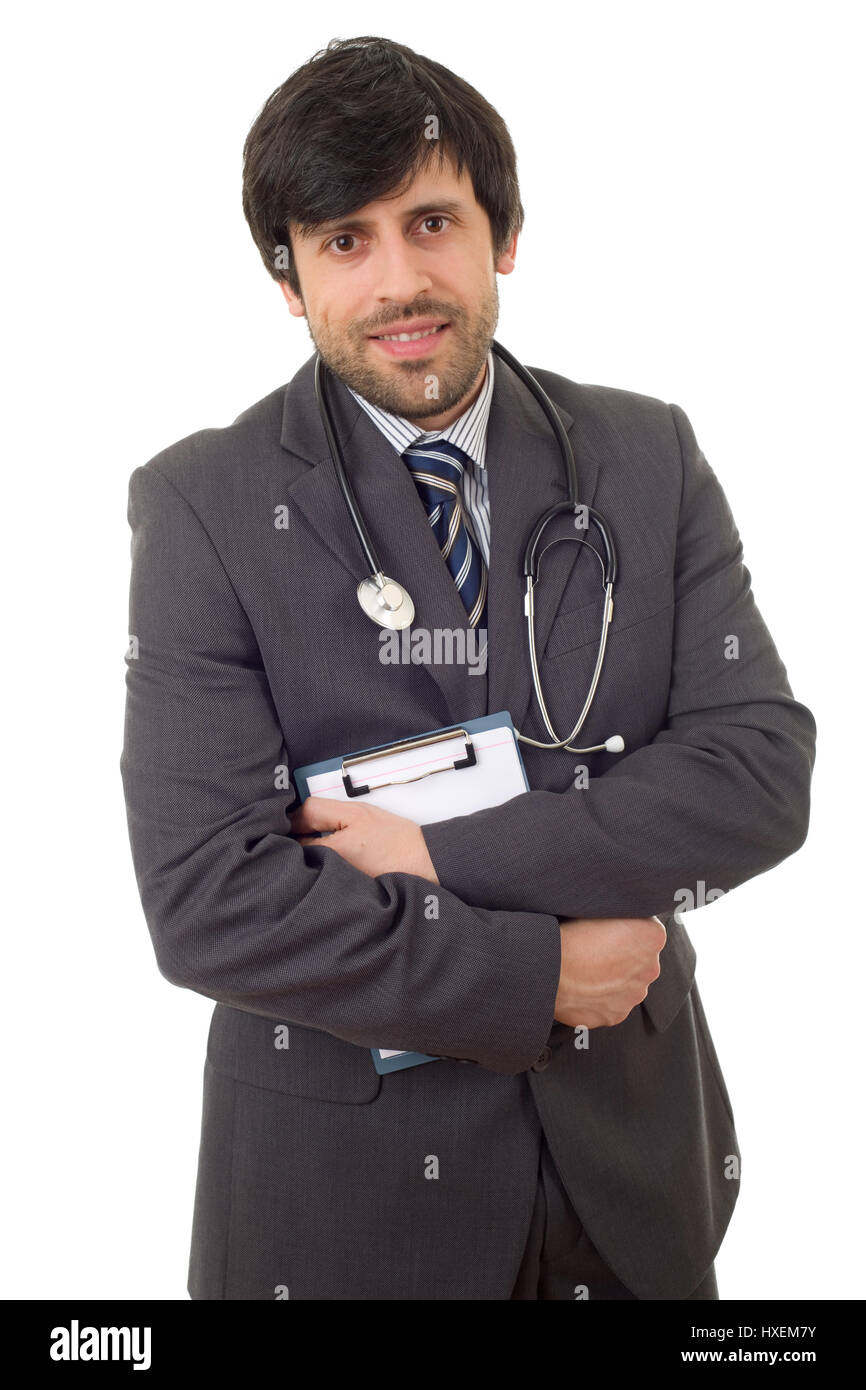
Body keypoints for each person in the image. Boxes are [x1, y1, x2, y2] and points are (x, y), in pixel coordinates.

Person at [120, 35, 816, 1300]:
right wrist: (539, 976)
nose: (399, 281)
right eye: (344, 239)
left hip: (633, 1175)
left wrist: (444, 855)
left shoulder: (642, 456)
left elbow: (755, 774)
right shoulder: (205, 505)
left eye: (432, 221)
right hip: (346, 1203)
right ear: (288, 276)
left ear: (501, 234)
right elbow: (210, 897)